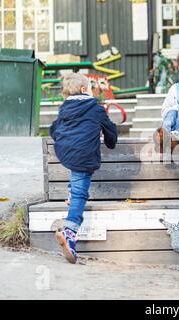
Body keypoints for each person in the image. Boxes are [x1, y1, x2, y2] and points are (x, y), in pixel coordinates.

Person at [49, 73, 118, 264]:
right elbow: (110, 131)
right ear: (83, 90)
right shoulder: (95, 108)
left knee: (77, 176)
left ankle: (72, 192)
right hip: (83, 154)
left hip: (65, 152)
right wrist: (111, 142)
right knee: (81, 193)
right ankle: (70, 232)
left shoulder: (64, 109)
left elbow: (54, 129)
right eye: (90, 87)